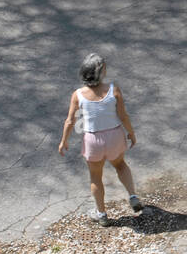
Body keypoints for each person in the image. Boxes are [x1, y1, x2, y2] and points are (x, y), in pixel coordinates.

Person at [58, 54, 141, 224]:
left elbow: (70, 121)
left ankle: (101, 214)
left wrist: (63, 140)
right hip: (115, 136)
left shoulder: (78, 95)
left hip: (93, 140)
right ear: (101, 72)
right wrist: (131, 133)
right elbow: (123, 115)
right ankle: (132, 195)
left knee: (96, 177)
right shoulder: (113, 89)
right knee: (120, 165)